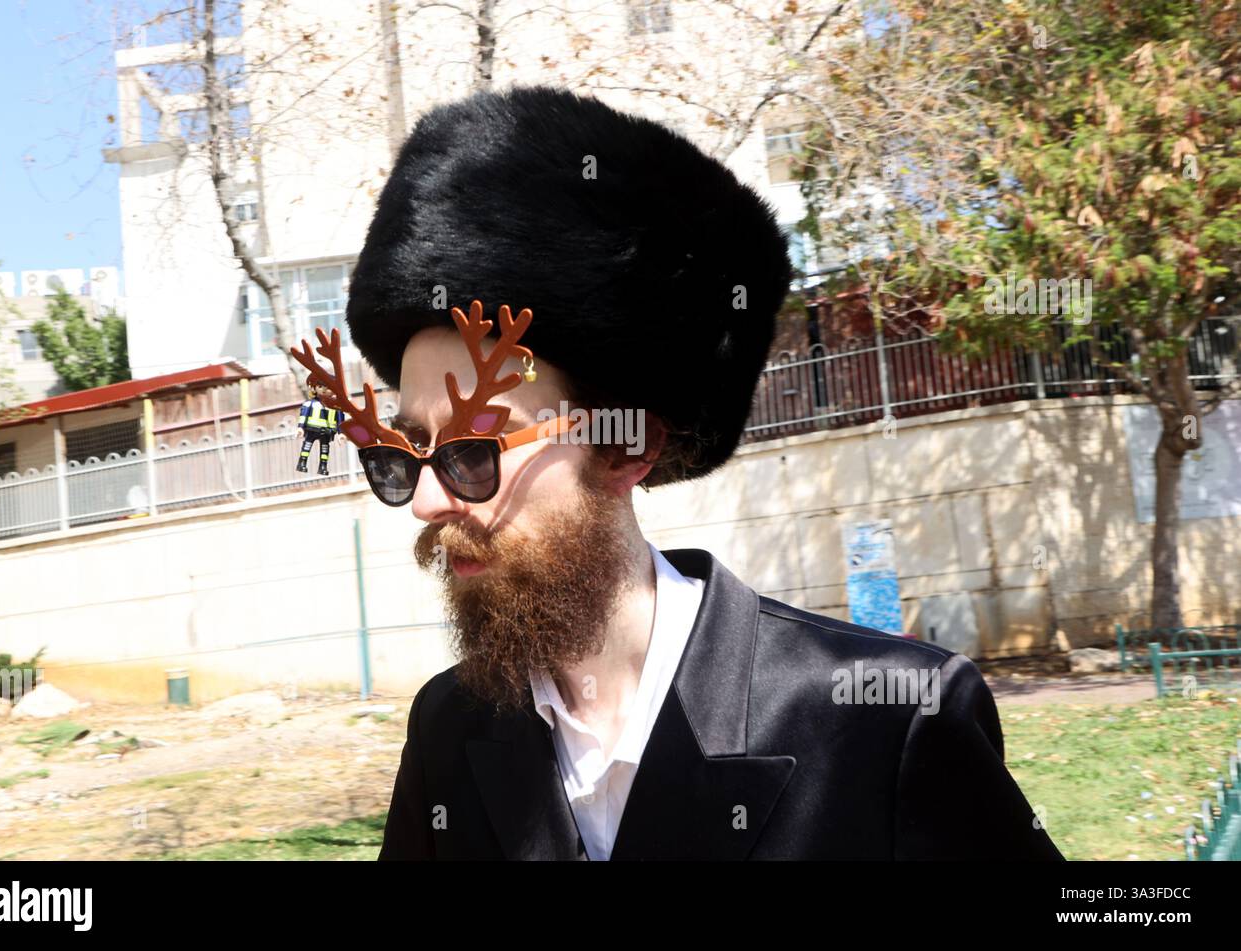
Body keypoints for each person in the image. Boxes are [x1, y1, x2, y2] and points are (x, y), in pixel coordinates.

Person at [338, 86, 1063, 860]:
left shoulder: (887, 718)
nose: (426, 500)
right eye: (408, 452)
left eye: (474, 452)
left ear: (625, 449)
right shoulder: (448, 729)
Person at [295, 386, 344, 476]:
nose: (324, 389)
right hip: (312, 428)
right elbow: (303, 415)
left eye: (328, 387)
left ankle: (323, 466)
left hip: (327, 431)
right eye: (320, 386)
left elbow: (340, 420)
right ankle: (302, 463)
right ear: (314, 389)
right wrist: (300, 427)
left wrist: (341, 433)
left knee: (325, 449)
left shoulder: (335, 406)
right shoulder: (310, 403)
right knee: (307, 446)